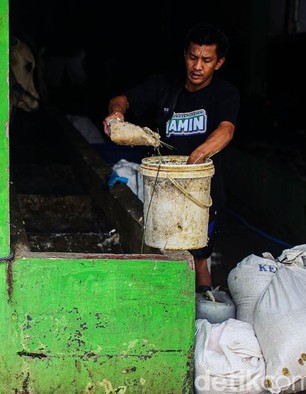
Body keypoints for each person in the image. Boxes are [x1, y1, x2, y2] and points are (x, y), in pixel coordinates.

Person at [102, 24, 240, 294]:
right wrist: (117, 115)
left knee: (199, 261)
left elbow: (226, 130)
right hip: (162, 189)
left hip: (201, 193)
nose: (197, 66)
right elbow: (122, 99)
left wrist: (194, 160)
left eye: (207, 60)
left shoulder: (225, 94)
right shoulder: (164, 86)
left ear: (219, 63)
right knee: (159, 252)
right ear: (185, 55)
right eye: (192, 57)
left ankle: (198, 319)